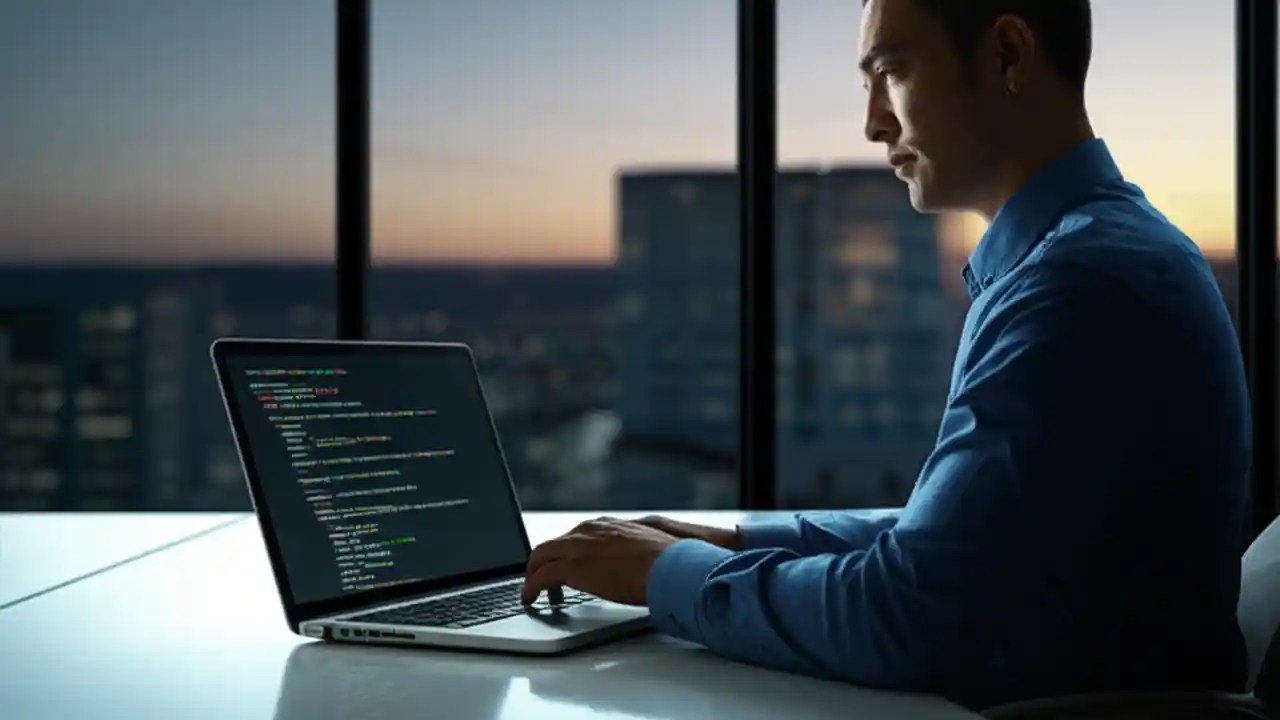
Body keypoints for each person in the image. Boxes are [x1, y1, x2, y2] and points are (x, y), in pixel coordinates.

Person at [521, 0, 1251, 710]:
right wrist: (729, 536)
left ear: (1007, 54)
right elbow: (959, 540)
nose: (874, 122)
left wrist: (666, 574)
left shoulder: (1077, 284)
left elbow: (909, 612)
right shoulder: (1093, 253)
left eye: (891, 71)